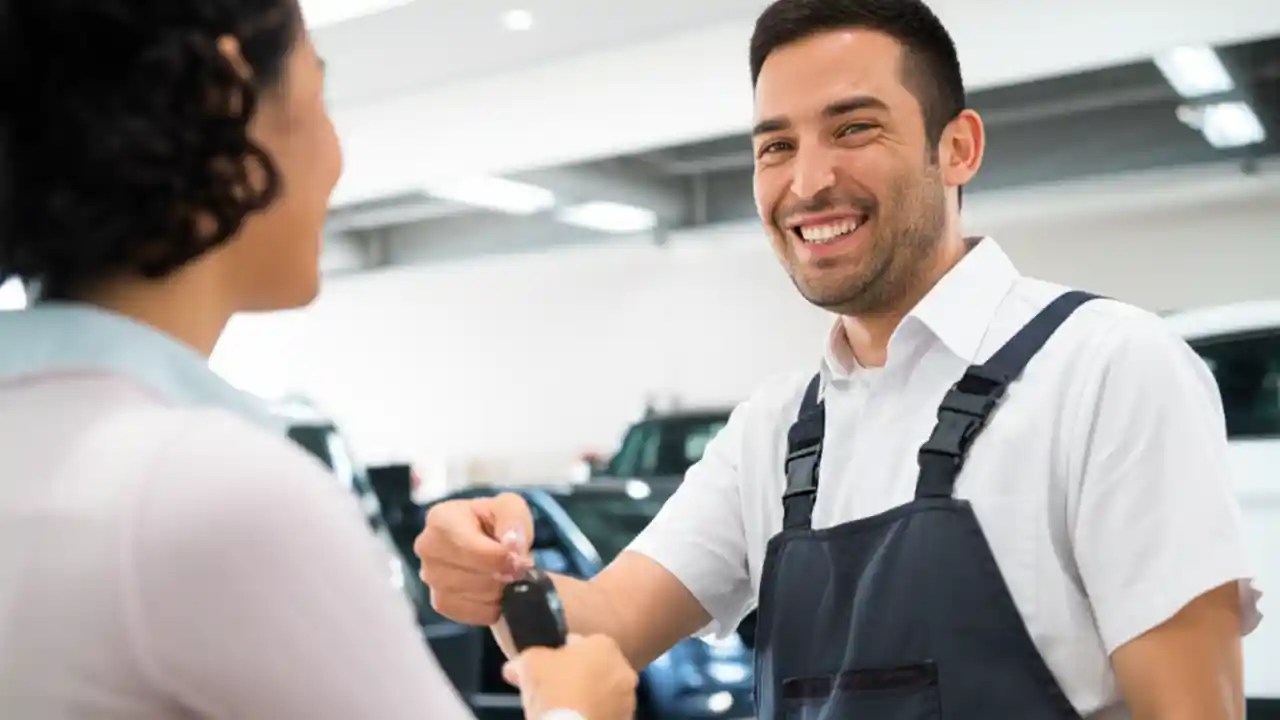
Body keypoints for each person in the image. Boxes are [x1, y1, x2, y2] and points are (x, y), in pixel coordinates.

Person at [415, 0, 1263, 717]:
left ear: (958, 148)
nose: (809, 181)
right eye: (775, 146)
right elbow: (604, 624)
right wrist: (497, 575)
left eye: (854, 128)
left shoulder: (1109, 368)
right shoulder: (778, 431)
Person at [0, 2, 636, 719]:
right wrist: (580, 709)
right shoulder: (206, 491)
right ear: (225, 96)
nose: (336, 152)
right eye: (319, 91)